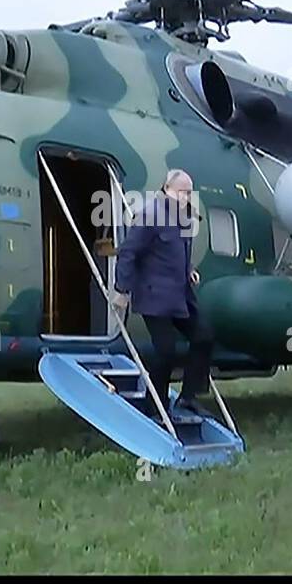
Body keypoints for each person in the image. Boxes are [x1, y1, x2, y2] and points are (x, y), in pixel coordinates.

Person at [112, 169, 214, 415]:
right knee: (166, 350)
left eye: (189, 193)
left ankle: (188, 397)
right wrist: (121, 290)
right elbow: (128, 253)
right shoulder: (150, 215)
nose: (186, 197)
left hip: (180, 295)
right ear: (167, 189)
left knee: (204, 337)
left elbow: (177, 251)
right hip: (154, 296)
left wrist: (189, 269)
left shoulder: (184, 218)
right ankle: (154, 404)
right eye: (182, 192)